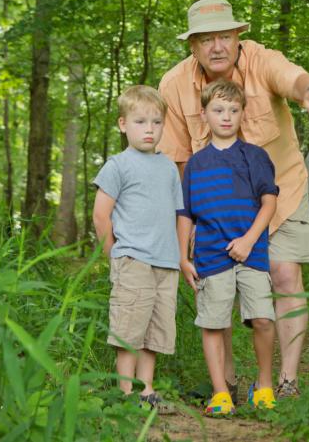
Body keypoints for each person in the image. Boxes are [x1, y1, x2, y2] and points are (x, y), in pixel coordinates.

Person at [159, 0, 309, 399]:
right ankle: (228, 384)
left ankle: (286, 380)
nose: (216, 46)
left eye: (224, 35)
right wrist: (189, 229)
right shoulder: (173, 86)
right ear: (193, 46)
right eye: (206, 39)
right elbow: (182, 161)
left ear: (239, 36)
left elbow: (293, 78)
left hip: (281, 191)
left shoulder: (260, 60)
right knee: (215, 285)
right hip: (217, 208)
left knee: (285, 273)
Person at [178, 80, 279, 415]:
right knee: (214, 323)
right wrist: (183, 257)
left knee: (263, 318)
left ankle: (263, 386)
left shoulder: (255, 157)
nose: (226, 117)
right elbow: (186, 215)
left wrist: (249, 240)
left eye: (233, 110)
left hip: (253, 254)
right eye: (218, 110)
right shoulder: (195, 164)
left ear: (242, 114)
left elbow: (268, 203)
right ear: (204, 114)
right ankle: (221, 393)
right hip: (210, 257)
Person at [92, 85, 183, 412]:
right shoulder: (118, 165)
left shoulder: (169, 167)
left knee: (155, 331)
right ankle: (125, 393)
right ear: (122, 124)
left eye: (156, 122)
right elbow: (101, 215)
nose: (149, 129)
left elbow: (176, 214)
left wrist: (179, 255)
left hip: (165, 262)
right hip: (133, 260)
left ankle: (147, 391)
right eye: (140, 121)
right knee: (130, 329)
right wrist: (114, 254)